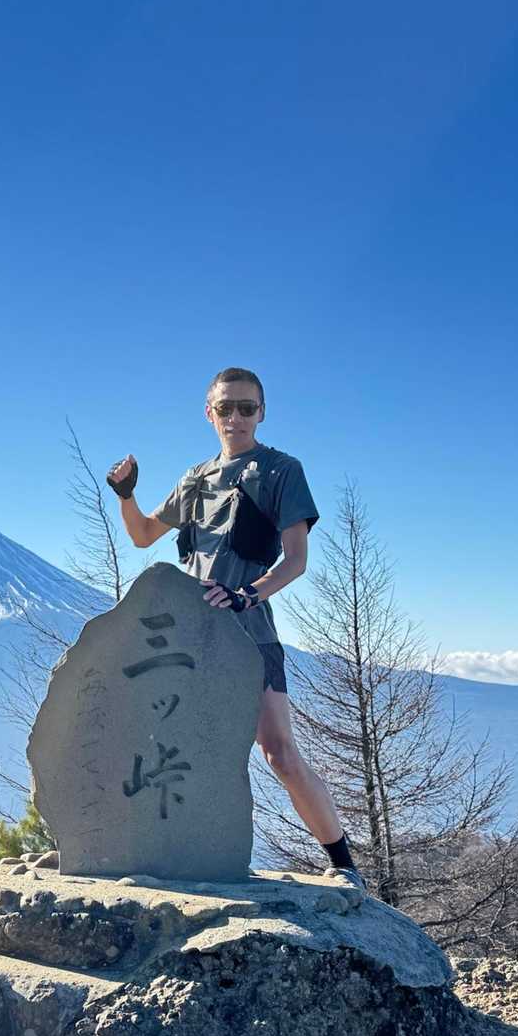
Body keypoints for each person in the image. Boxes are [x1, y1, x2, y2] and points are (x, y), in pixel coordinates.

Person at [106, 366, 366, 893]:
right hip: (191, 639)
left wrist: (248, 594)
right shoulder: (196, 478)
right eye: (226, 408)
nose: (236, 417)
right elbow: (143, 536)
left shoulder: (280, 471)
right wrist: (126, 495)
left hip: (250, 631)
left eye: (247, 407)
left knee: (278, 752)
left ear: (262, 412)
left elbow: (295, 561)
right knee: (178, 746)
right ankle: (165, 852)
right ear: (210, 413)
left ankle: (343, 864)